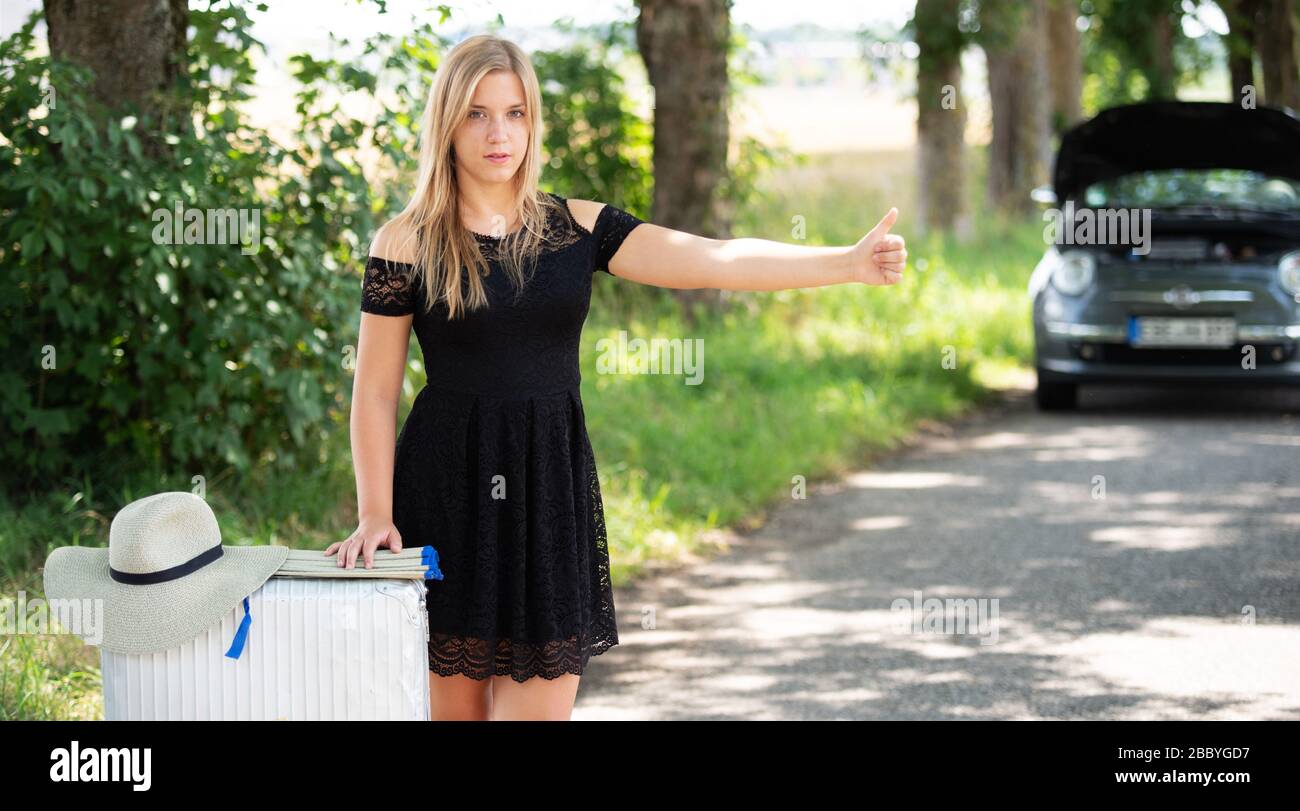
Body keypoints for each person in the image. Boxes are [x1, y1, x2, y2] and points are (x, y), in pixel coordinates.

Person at [326, 33, 907, 721]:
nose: (497, 133)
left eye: (514, 113)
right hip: (447, 497)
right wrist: (375, 513)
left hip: (549, 495)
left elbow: (713, 260)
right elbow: (376, 390)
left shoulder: (576, 228)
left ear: (532, 121)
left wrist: (845, 261)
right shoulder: (407, 240)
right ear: (447, 122)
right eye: (477, 113)